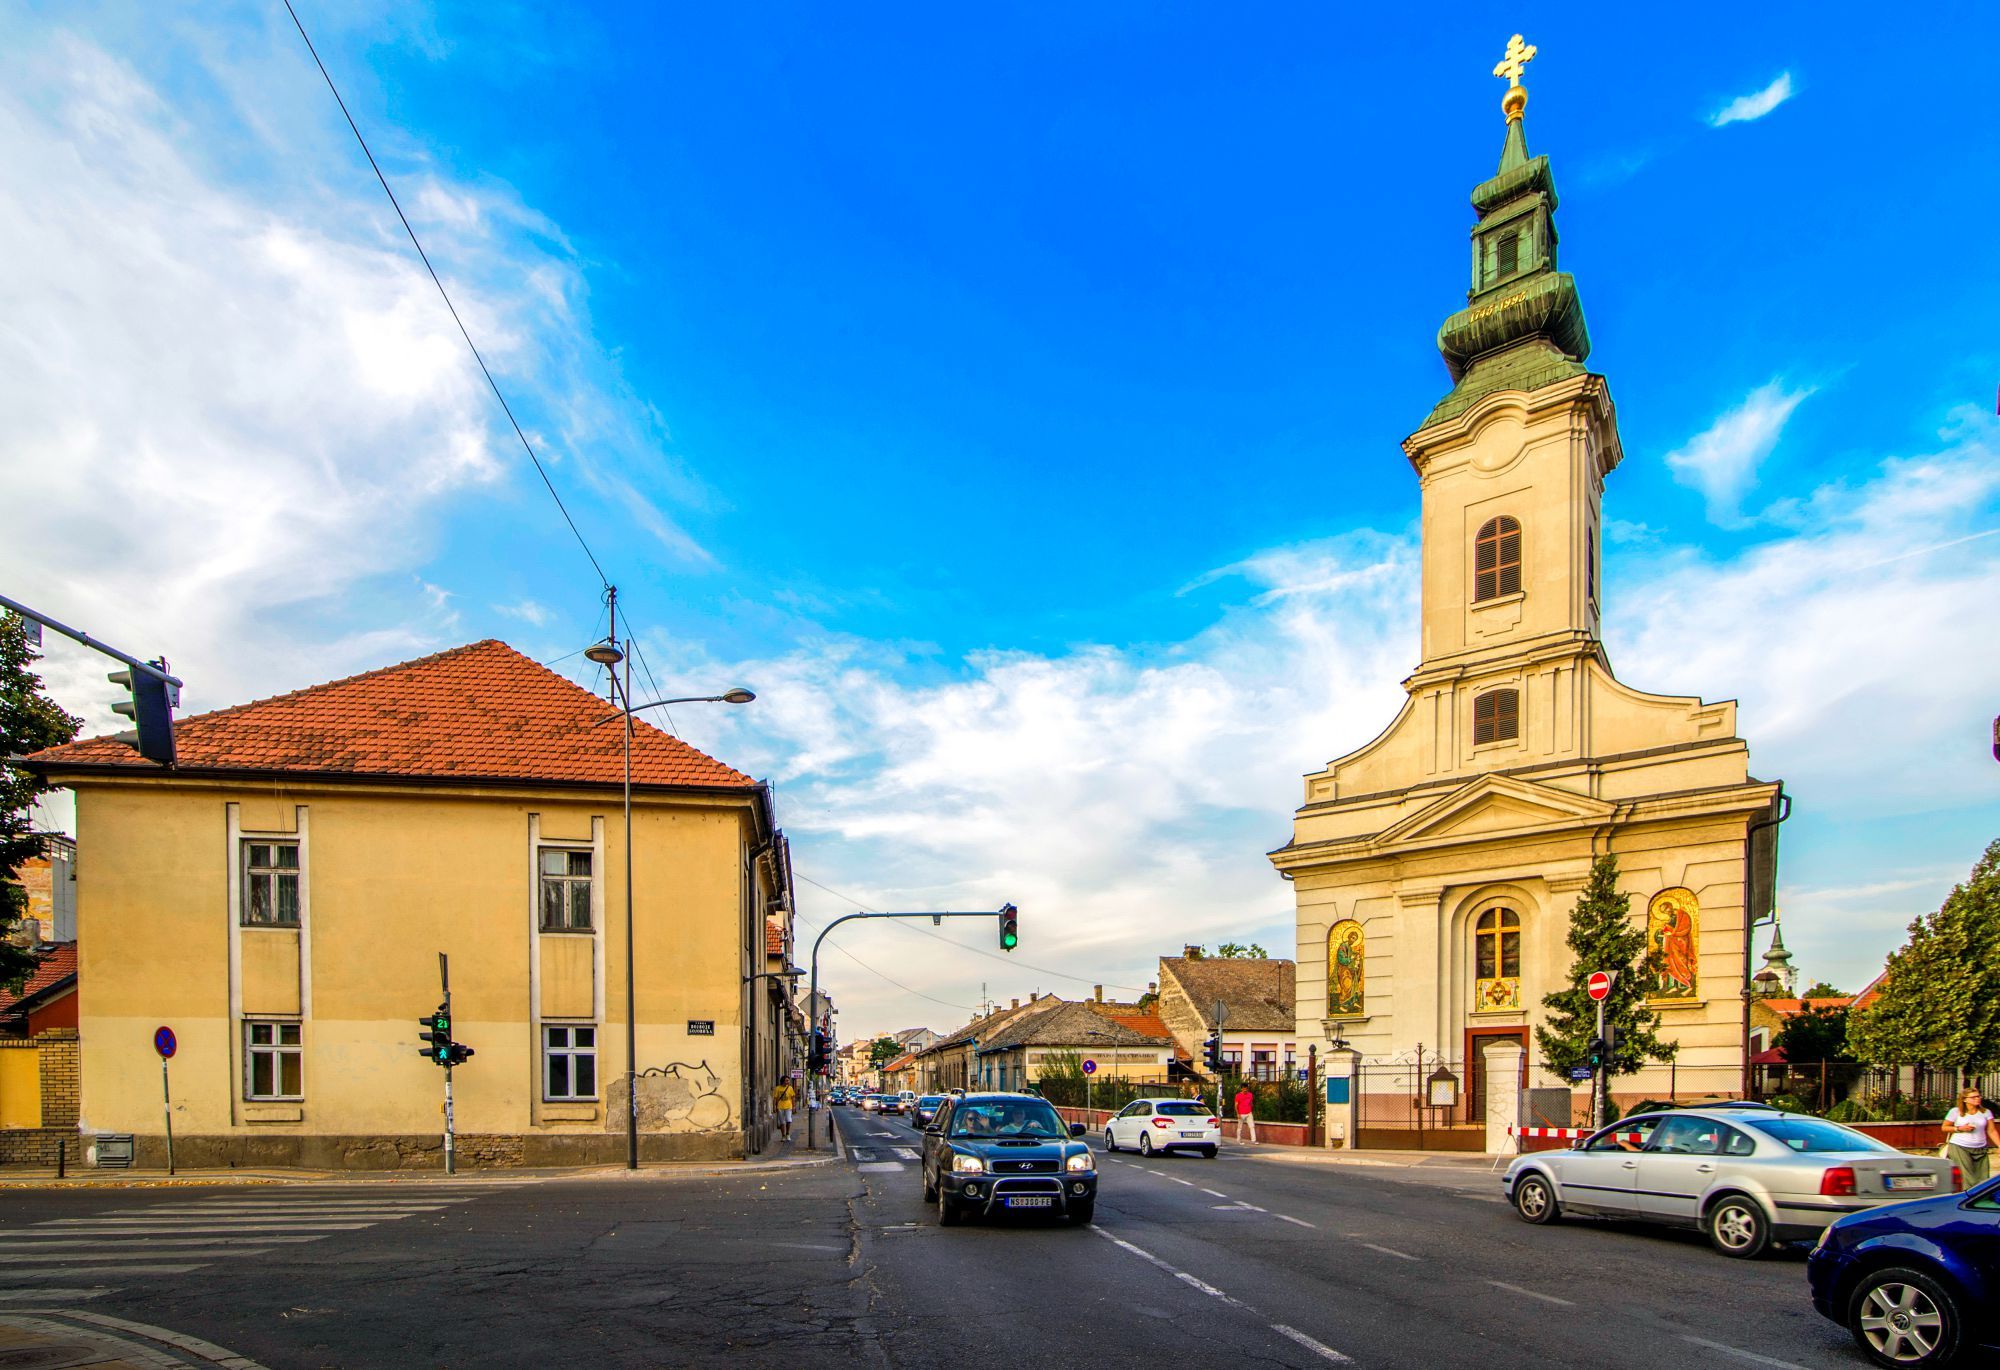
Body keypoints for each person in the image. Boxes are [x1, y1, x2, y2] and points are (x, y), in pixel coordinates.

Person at [1941, 1085, 1998, 1185]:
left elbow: (1991, 1130)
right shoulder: (1956, 1111)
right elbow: (1944, 1127)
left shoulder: (1986, 1112)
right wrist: (1959, 1128)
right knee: (1967, 1178)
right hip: (1960, 1147)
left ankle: (1981, 1198)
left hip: (1980, 1148)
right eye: (1973, 1097)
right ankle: (1967, 1198)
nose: (1977, 1099)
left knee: (1983, 1178)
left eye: (1978, 1096)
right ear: (1964, 1100)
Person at [773, 1078, 797, 1143]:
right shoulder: (777, 1088)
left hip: (788, 1107)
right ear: (783, 1081)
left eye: (788, 1080)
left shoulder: (790, 1088)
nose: (788, 1081)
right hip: (780, 1107)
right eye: (786, 1080)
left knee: (788, 1120)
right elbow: (775, 1098)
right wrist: (774, 1107)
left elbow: (793, 1098)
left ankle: (788, 1133)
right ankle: (783, 1135)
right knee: (782, 1122)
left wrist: (794, 1106)